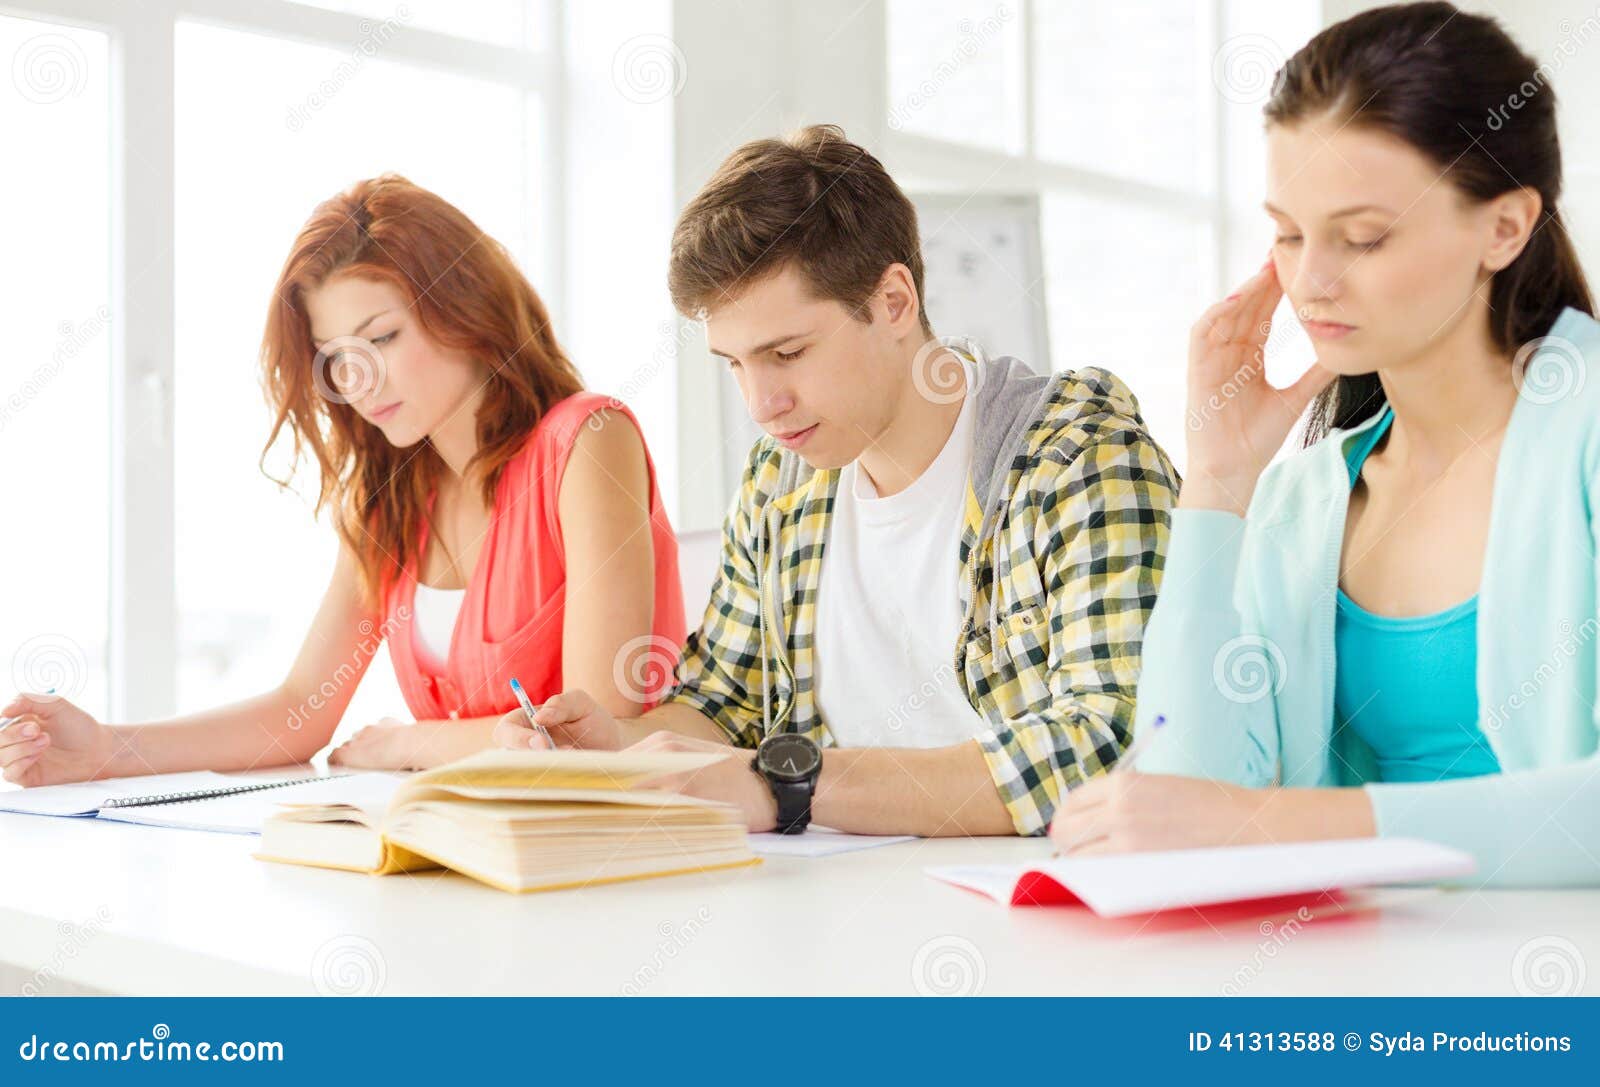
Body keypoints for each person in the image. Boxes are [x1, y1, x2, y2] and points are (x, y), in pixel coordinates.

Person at [496, 126, 1179, 838]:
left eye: (787, 352)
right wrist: (617, 749)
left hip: (1039, 921)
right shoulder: (784, 479)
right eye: (734, 363)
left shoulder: (1078, 462)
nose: (761, 405)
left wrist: (791, 784)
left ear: (893, 301)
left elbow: (1111, 744)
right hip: (828, 918)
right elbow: (729, 702)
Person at [1051, 2, 1600, 886]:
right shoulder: (1303, 499)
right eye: (1289, 233)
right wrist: (1220, 483)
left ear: (1504, 227)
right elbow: (1193, 798)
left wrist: (1283, 825)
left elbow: (1238, 820)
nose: (1312, 280)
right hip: (1356, 980)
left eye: (1364, 237)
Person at [1, 175, 684, 785]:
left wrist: (408, 743)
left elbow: (593, 737)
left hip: (600, 870)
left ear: (466, 305)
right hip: (462, 863)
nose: (357, 380)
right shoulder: (393, 503)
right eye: (336, 358)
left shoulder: (588, 443)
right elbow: (300, 709)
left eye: (382, 338)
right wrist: (105, 750)